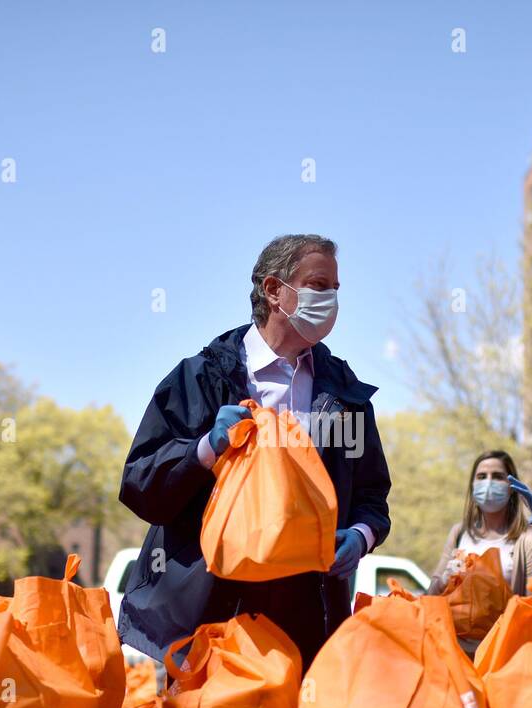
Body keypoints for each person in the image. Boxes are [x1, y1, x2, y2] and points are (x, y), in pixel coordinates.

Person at [118, 233, 391, 664]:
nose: (331, 300)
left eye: (336, 290)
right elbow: (140, 484)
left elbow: (373, 497)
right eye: (319, 285)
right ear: (273, 290)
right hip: (208, 628)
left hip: (306, 634)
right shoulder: (201, 379)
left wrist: (360, 536)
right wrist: (204, 450)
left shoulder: (345, 396)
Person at [427, 450, 532, 597]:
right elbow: (430, 595)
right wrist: (443, 581)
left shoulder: (528, 541)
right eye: (482, 477)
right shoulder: (459, 533)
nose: (488, 483)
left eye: (497, 477)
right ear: (473, 485)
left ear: (512, 487)